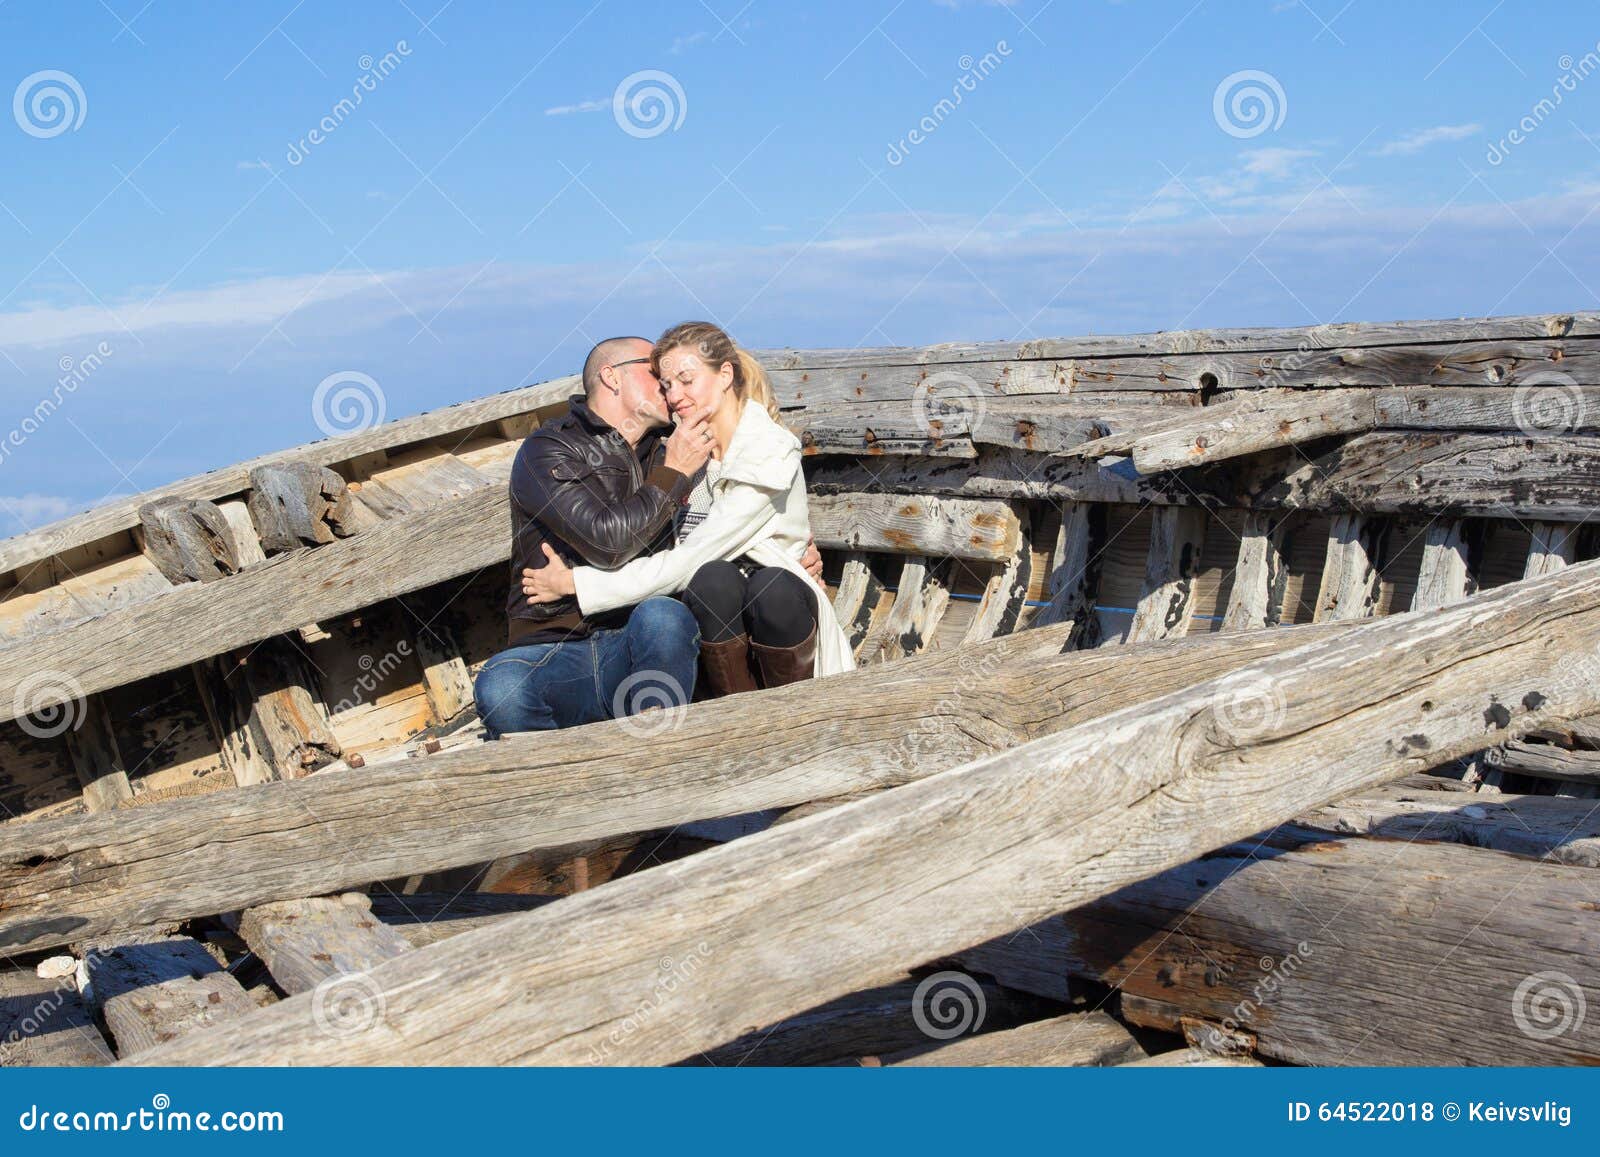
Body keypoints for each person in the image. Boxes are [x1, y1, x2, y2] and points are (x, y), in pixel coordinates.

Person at [473, 335, 823, 737]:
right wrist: (672, 473)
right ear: (612, 377)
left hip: (651, 636)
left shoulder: (682, 446)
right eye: (656, 373)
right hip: (559, 645)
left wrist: (792, 552)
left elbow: (731, 519)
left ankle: (661, 758)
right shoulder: (551, 449)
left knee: (663, 617)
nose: (668, 387)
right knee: (502, 689)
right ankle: (563, 784)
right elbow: (608, 544)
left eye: (674, 378)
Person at [523, 321, 855, 696]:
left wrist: (576, 582)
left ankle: (799, 711)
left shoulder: (767, 452)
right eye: (666, 384)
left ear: (725, 374)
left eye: (686, 379)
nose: (673, 395)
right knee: (715, 582)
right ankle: (733, 716)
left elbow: (688, 560)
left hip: (780, 613)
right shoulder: (680, 452)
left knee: (764, 586)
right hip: (714, 611)